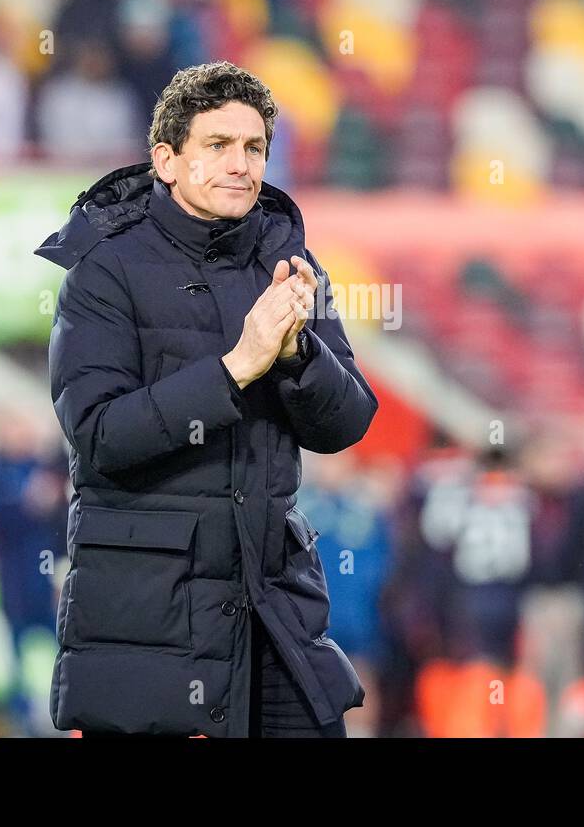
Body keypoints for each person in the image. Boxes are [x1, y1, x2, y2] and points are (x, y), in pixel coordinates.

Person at [35, 60, 378, 737]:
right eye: (217, 145)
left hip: (273, 613)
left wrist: (297, 356)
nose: (241, 164)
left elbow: (348, 421)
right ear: (167, 159)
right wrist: (235, 369)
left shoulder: (290, 259)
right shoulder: (101, 271)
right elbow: (100, 433)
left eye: (254, 148)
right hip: (151, 629)